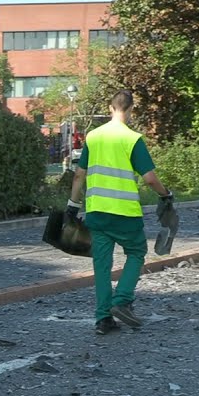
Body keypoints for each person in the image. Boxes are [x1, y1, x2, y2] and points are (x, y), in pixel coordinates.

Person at [67, 89, 174, 335]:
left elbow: (79, 174)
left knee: (102, 265)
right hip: (125, 213)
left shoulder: (93, 137)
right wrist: (165, 195)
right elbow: (149, 179)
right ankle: (122, 300)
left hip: (97, 213)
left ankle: (103, 319)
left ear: (110, 107)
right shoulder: (132, 139)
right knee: (136, 252)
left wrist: (73, 205)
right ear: (131, 109)